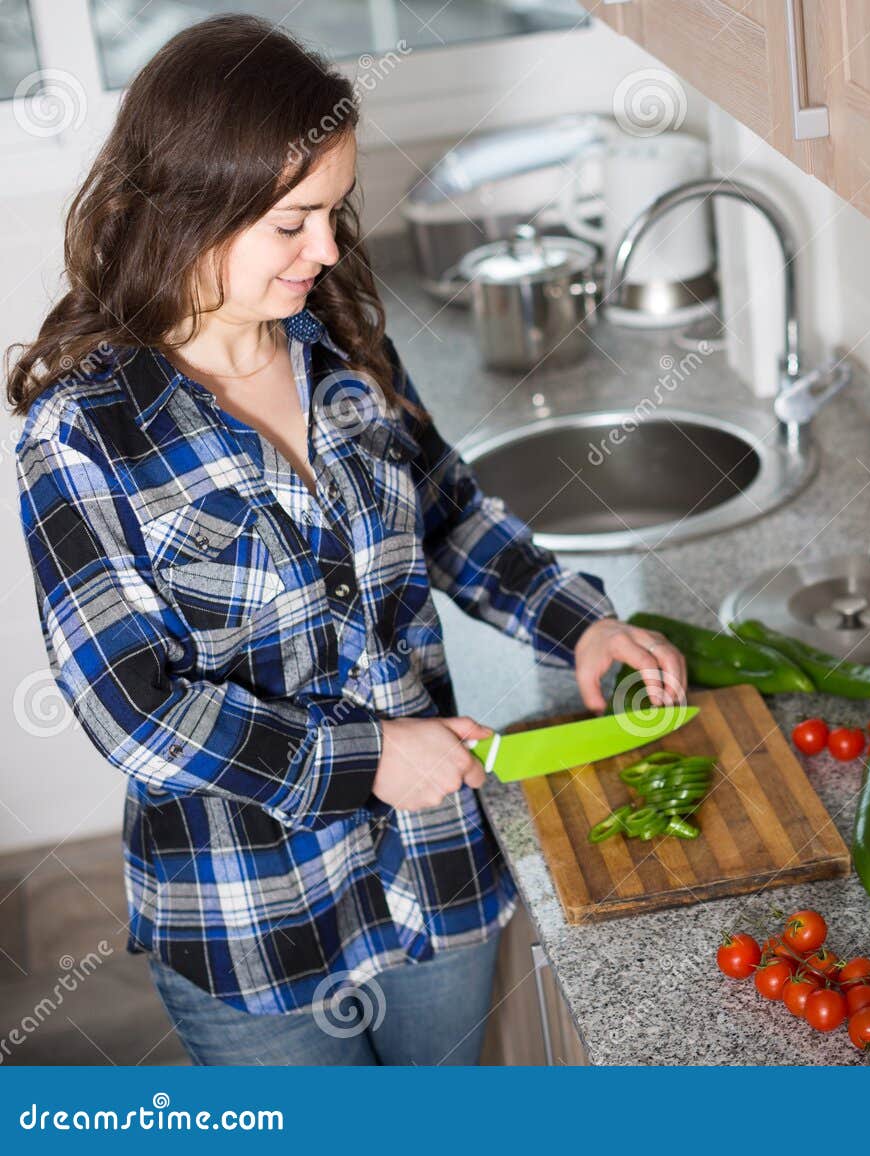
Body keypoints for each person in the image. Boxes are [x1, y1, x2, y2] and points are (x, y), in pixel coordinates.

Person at [7, 15, 686, 1066]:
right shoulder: (86, 433)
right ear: (188, 209)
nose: (326, 252)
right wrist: (366, 760)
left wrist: (580, 626)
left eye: (333, 213)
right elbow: (134, 711)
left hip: (433, 876)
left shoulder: (346, 347)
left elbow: (448, 513)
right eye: (293, 223)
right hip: (252, 926)